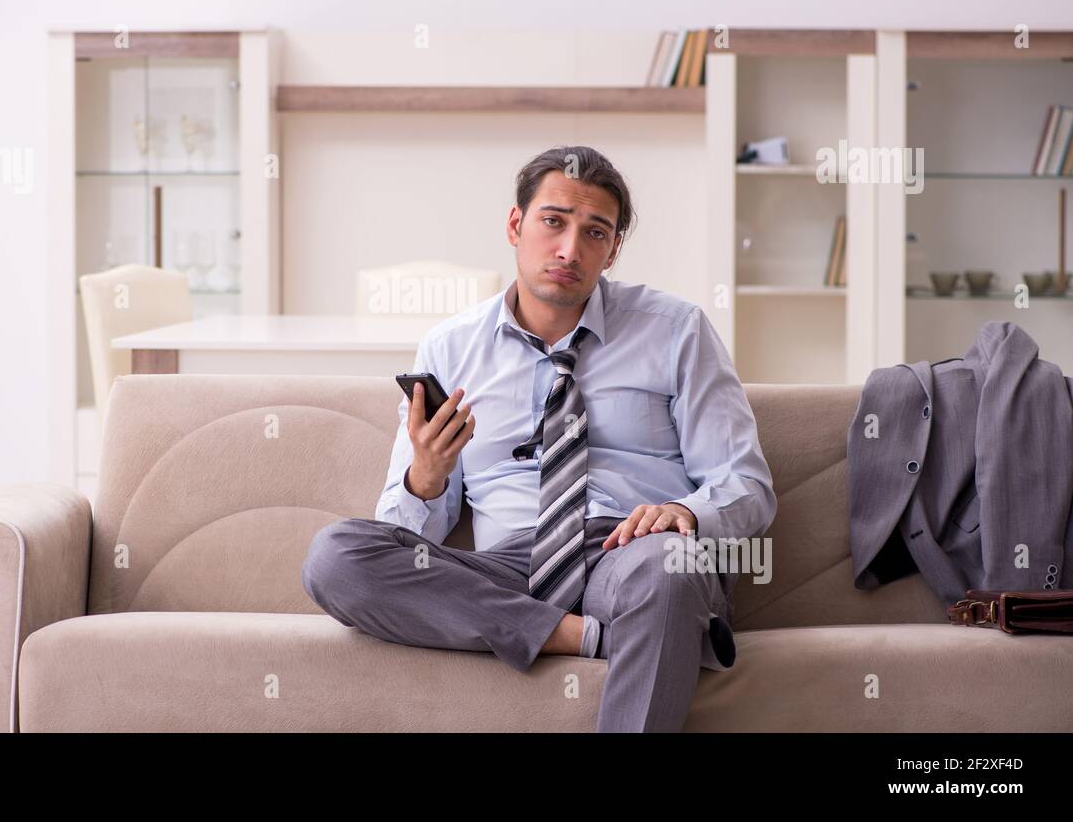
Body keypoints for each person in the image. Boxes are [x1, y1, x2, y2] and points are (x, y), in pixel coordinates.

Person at [301, 145, 777, 732]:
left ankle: (644, 624)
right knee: (337, 557)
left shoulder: (677, 331)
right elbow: (406, 536)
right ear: (515, 225)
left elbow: (746, 486)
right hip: (509, 564)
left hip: (630, 553)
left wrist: (682, 510)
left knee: (672, 566)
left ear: (613, 250)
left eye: (595, 232)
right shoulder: (450, 348)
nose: (569, 249)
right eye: (553, 221)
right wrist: (425, 475)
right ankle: (585, 637)